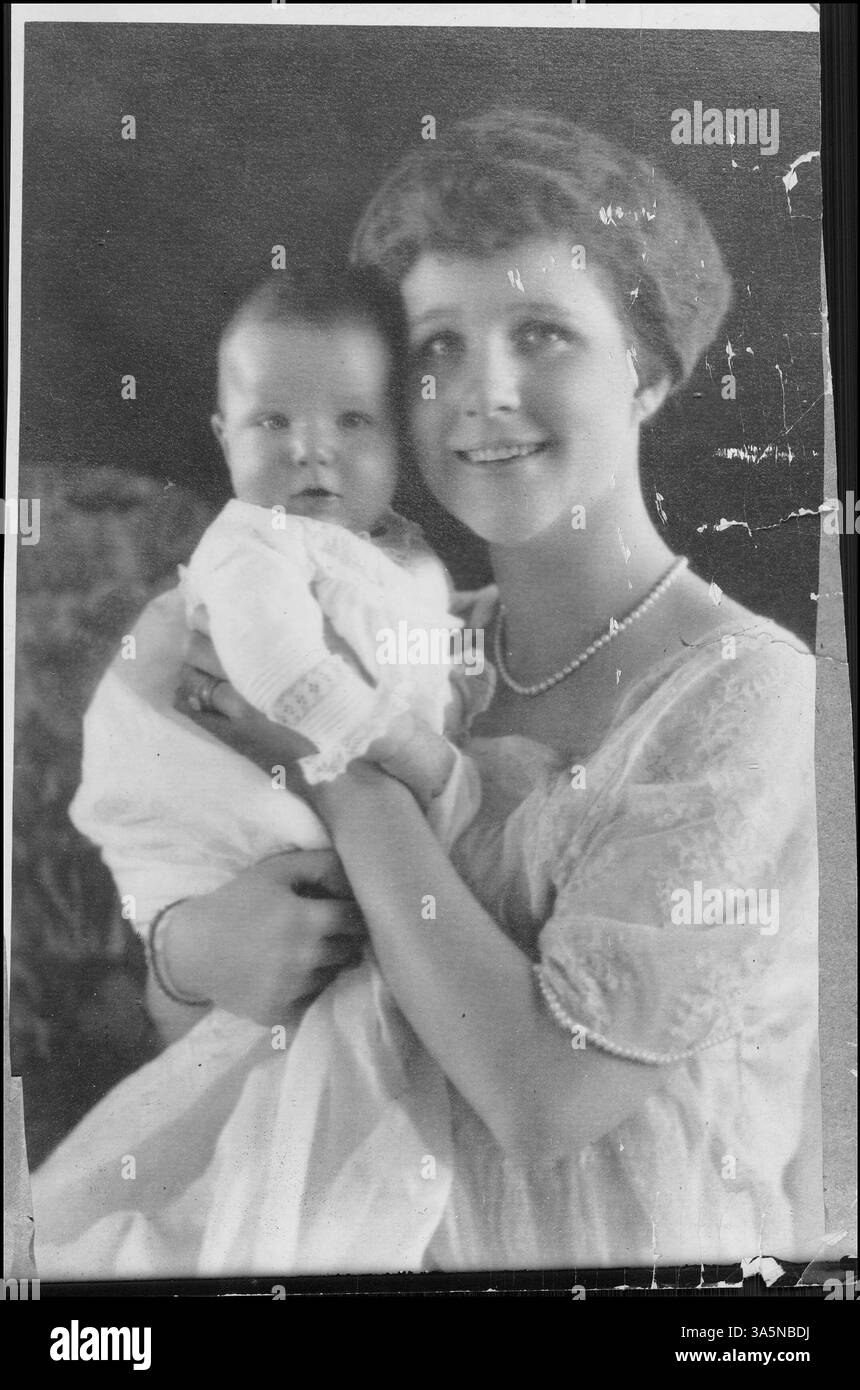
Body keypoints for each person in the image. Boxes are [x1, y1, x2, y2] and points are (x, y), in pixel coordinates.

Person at [33, 108, 824, 1274]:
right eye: (437, 347)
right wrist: (195, 952)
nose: (480, 393)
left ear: (646, 372)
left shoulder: (746, 695)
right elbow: (226, 1026)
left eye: (543, 333)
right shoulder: (409, 645)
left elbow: (542, 1101)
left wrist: (343, 771)